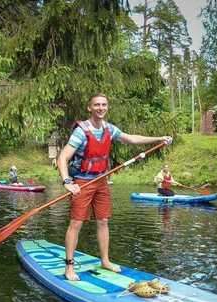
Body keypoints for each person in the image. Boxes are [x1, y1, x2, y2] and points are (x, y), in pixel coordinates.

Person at [57, 93, 173, 281]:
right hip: (82, 181)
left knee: (103, 221)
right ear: (90, 108)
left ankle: (105, 260)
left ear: (107, 107)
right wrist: (67, 182)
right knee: (76, 223)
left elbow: (131, 139)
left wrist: (159, 138)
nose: (100, 108)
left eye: (104, 104)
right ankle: (69, 267)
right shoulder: (81, 131)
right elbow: (63, 158)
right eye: (97, 105)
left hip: (101, 180)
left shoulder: (109, 129)